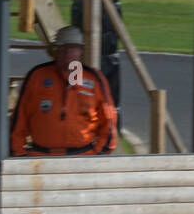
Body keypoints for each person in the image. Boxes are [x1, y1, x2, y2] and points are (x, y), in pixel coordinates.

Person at [10, 26, 117, 157]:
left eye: (72, 48)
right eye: (62, 48)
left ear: (81, 50)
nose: (67, 52)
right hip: (40, 157)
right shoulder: (37, 76)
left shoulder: (95, 79)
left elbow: (109, 121)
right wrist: (19, 154)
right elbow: (19, 119)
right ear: (55, 50)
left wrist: (98, 155)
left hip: (83, 157)